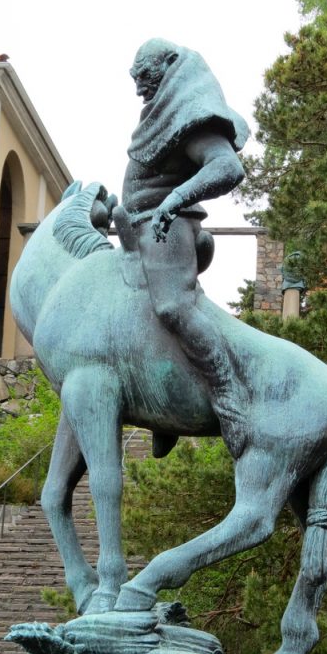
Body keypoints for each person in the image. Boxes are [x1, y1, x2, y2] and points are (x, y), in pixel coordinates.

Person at [117, 39, 250, 459]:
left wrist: (174, 201)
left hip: (167, 227)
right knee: (136, 313)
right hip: (143, 227)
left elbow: (227, 167)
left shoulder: (191, 113)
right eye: (136, 80)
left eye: (146, 77)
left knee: (172, 308)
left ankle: (229, 394)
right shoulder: (167, 113)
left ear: (171, 66)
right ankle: (166, 410)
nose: (140, 89)